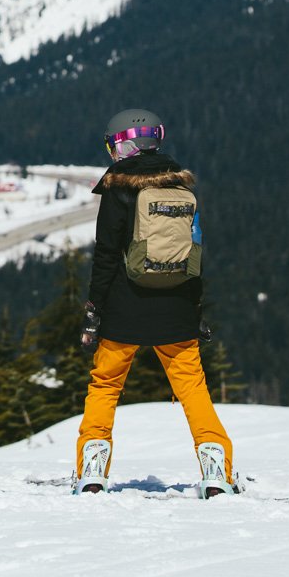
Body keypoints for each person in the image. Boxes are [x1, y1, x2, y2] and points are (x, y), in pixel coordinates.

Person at [74, 108, 237, 497]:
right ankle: (216, 470)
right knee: (193, 388)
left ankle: (93, 470)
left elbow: (107, 254)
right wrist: (195, 310)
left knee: (105, 385)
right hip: (177, 307)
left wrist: (95, 308)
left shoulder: (118, 187)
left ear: (123, 145)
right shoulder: (182, 189)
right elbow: (193, 254)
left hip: (123, 309)